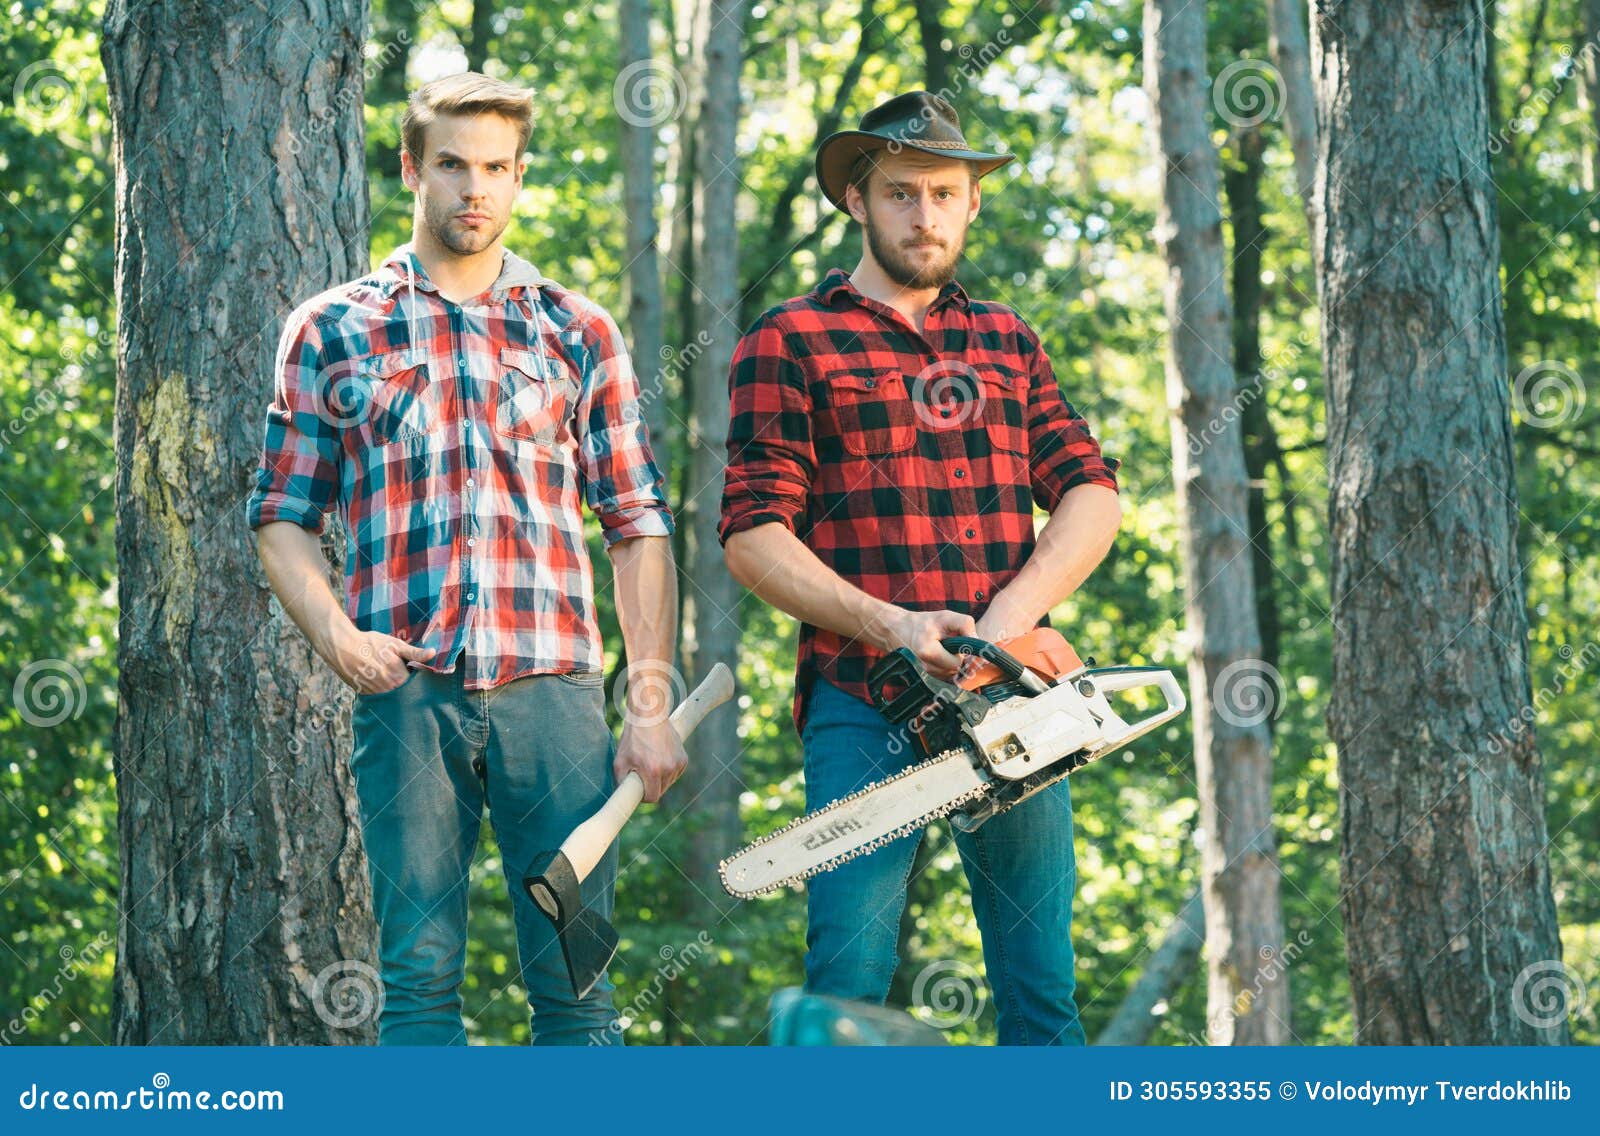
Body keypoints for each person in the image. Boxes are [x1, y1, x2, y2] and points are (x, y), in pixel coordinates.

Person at [246, 73, 684, 1045]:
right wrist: (336, 637)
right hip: (408, 695)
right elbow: (281, 514)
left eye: (494, 168)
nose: (472, 188)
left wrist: (646, 700)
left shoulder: (576, 330)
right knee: (416, 984)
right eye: (451, 164)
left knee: (579, 985)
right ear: (412, 168)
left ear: (520, 178)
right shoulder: (332, 328)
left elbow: (638, 523)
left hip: (557, 697)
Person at [719, 90, 1123, 1045]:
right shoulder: (790, 339)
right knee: (849, 975)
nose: (925, 215)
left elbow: (1091, 492)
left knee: (1041, 990)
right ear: (858, 200)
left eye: (945, 193)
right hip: (864, 696)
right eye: (902, 194)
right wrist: (894, 625)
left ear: (972, 201)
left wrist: (1009, 620)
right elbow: (750, 535)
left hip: (1015, 696)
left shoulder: (1008, 341)